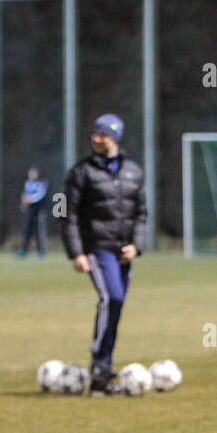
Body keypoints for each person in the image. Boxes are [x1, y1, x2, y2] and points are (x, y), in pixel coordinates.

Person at [62, 113, 148, 395]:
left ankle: (102, 375)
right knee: (112, 298)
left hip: (124, 252)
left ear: (115, 137)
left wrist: (136, 245)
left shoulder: (133, 171)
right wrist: (77, 252)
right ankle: (100, 366)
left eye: (104, 134)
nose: (97, 139)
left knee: (116, 306)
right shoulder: (81, 172)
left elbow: (141, 214)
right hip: (97, 249)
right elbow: (69, 214)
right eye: (95, 133)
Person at [17, 166, 49, 258]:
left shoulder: (42, 182)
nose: (32, 175)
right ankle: (24, 250)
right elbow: (24, 194)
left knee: (39, 231)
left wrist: (29, 199)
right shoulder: (28, 183)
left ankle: (41, 251)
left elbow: (40, 195)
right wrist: (24, 201)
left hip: (39, 210)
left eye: (34, 173)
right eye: (30, 173)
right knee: (26, 230)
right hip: (30, 210)